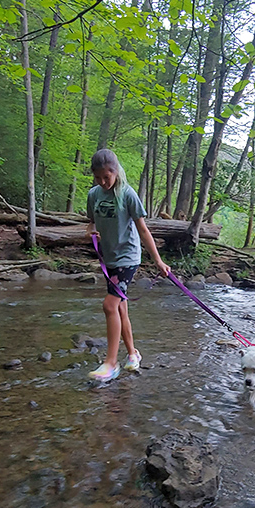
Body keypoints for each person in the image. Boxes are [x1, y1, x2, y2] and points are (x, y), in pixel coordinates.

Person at [86, 148, 170, 382]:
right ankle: (133, 355)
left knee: (110, 305)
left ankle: (111, 364)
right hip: (109, 258)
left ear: (116, 172)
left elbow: (143, 230)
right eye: (98, 178)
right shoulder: (94, 195)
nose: (103, 182)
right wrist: (90, 230)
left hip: (127, 257)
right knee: (120, 307)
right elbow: (91, 222)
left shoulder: (128, 194)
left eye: (107, 177)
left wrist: (158, 261)